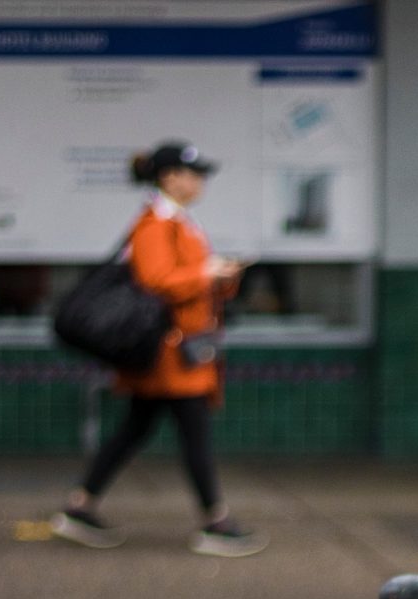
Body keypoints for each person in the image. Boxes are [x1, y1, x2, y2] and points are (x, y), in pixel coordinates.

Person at [53, 141, 267, 556]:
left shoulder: (179, 222)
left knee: (135, 429)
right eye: (194, 173)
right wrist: (207, 271)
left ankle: (81, 506)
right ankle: (214, 521)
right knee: (192, 431)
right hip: (170, 355)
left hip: (174, 353)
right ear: (170, 177)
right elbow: (156, 281)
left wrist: (220, 275)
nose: (200, 181)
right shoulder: (156, 224)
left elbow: (178, 279)